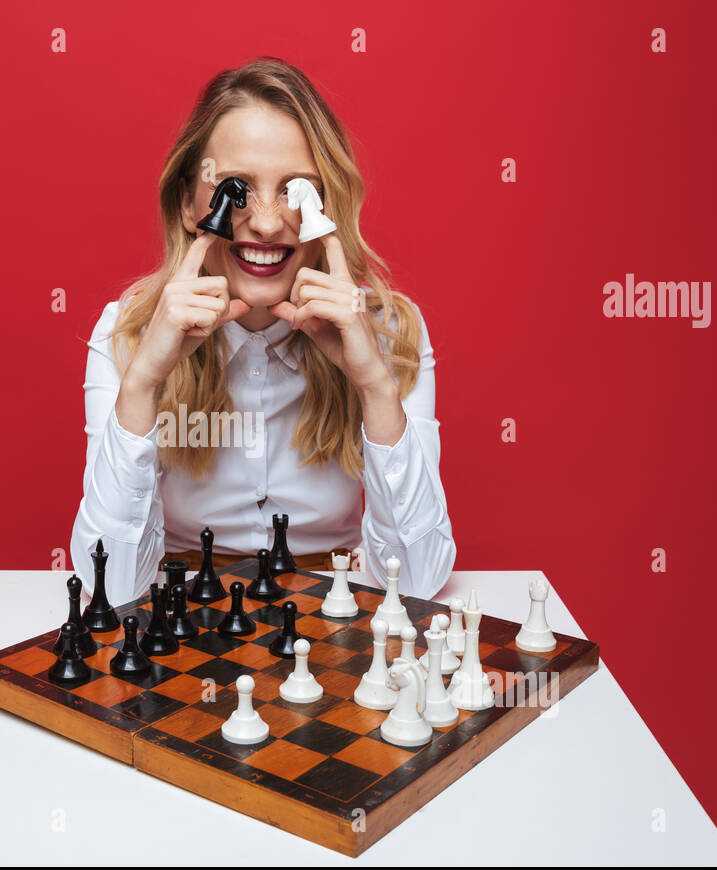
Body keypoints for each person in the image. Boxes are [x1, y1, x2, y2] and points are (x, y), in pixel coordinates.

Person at [70, 57, 455, 606]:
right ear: (187, 202)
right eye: (236, 189)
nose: (269, 224)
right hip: (186, 614)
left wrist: (374, 385)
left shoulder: (390, 332)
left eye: (297, 192)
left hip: (331, 617)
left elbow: (418, 580)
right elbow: (106, 589)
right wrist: (142, 385)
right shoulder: (125, 333)